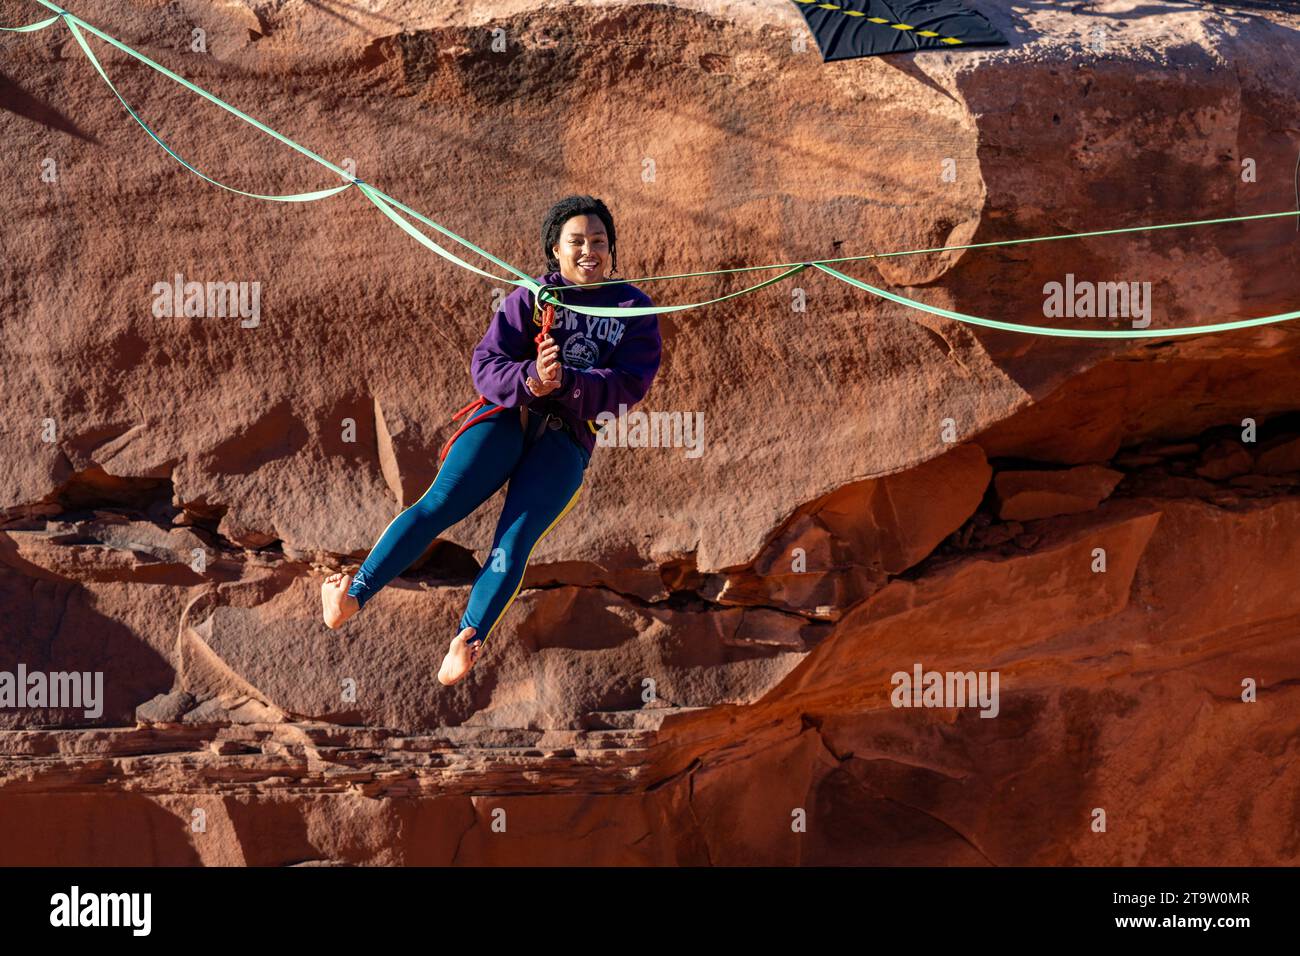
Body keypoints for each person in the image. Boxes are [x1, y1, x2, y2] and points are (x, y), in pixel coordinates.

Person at [319, 195, 662, 685]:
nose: (590, 251)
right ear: (556, 250)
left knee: (513, 542)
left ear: (612, 249)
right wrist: (531, 379)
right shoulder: (532, 297)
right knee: (438, 504)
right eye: (577, 242)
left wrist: (567, 383)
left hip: (566, 438)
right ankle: (353, 596)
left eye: (600, 242)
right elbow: (486, 366)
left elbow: (629, 387)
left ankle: (466, 638)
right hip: (508, 416)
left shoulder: (636, 309)